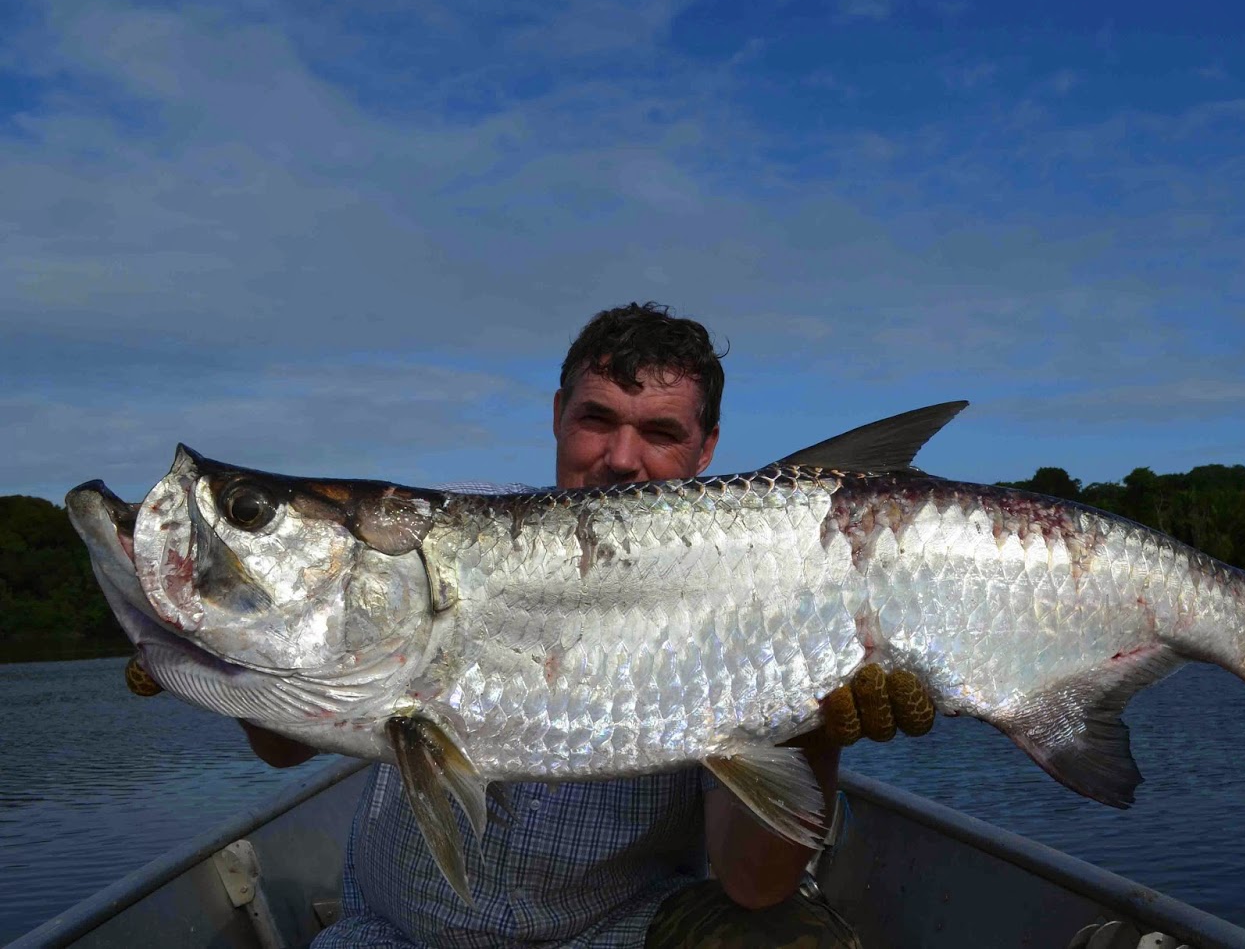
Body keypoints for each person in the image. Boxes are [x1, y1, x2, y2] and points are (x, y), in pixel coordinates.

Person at [244, 302, 932, 948]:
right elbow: (283, 748)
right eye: (597, 419)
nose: (622, 457)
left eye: (661, 432)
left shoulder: (762, 585)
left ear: (706, 450)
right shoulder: (435, 532)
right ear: (557, 415)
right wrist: (230, 638)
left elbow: (753, 882)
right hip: (398, 935)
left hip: (616, 933)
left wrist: (814, 731)